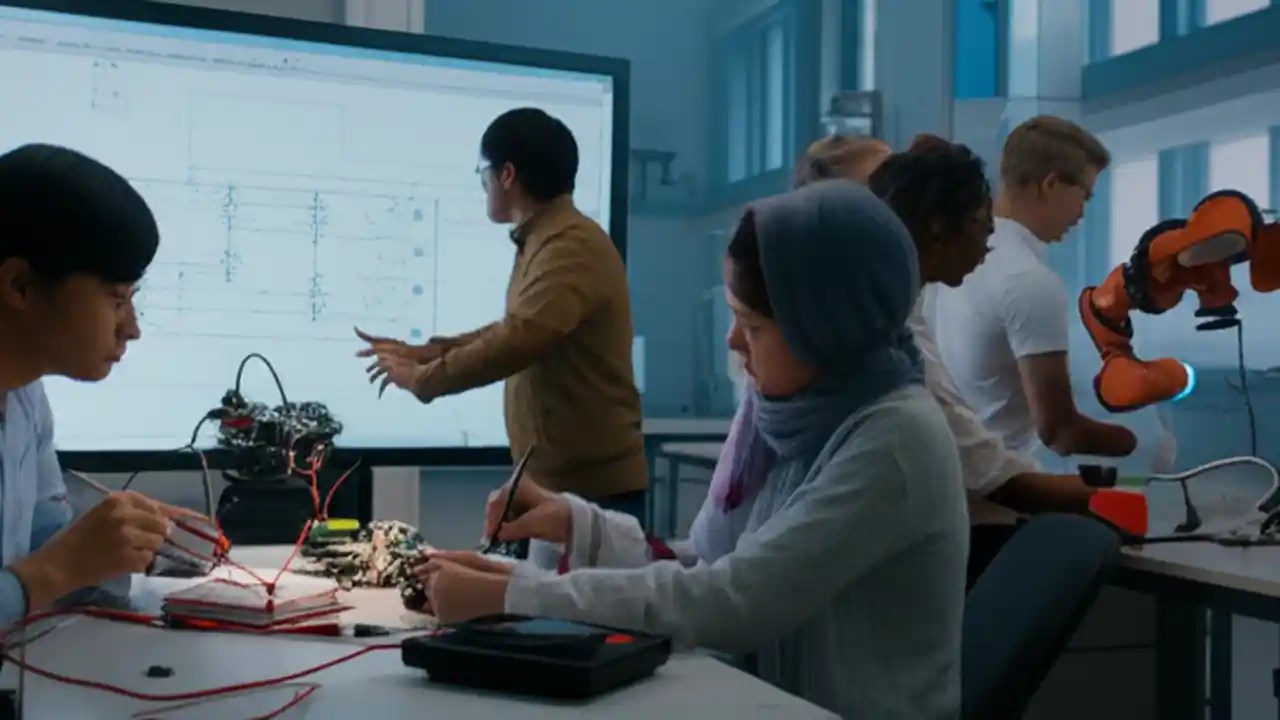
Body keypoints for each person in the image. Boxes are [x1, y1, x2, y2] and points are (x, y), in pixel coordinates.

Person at [418, 180, 968, 719]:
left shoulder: (896, 442)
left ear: (825, 329)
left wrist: (516, 595)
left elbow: (736, 600)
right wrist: (576, 525)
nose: (732, 342)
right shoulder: (795, 415)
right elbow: (714, 563)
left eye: (751, 326)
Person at [357, 108, 647, 521]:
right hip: (561, 486)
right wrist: (427, 352)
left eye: (483, 173)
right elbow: (514, 329)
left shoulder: (571, 245)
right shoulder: (546, 239)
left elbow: (518, 340)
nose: (484, 185)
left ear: (507, 175)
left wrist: (422, 379)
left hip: (593, 494)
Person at [0, 143, 188, 629]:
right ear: (20, 286)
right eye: (116, 298)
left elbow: (43, 544)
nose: (132, 328)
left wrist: (118, 542)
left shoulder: (24, 397)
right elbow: (46, 568)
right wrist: (57, 567)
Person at [926, 116, 1136, 467]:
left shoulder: (946, 262)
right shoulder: (1029, 280)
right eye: (1083, 194)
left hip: (946, 472)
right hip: (999, 489)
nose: (1082, 212)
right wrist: (1138, 443)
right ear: (1051, 184)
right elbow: (1059, 432)